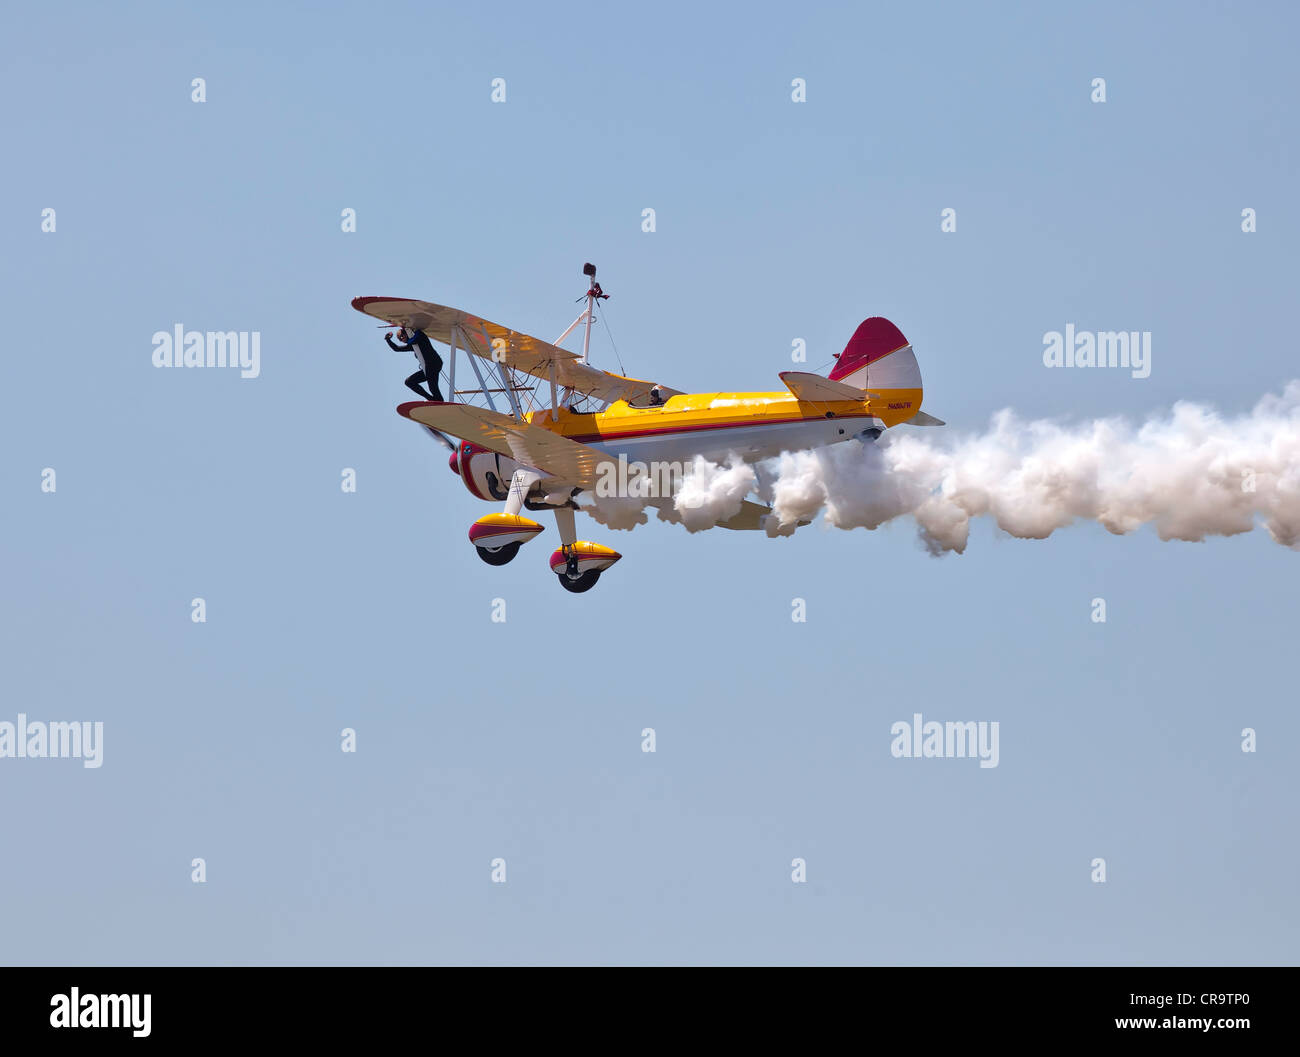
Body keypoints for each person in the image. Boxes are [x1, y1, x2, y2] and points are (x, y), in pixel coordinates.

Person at [386, 326, 445, 401]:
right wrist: (388, 340)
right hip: (427, 367)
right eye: (399, 340)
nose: (401, 341)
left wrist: (406, 327)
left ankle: (439, 401)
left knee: (433, 388)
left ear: (406, 333)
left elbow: (415, 336)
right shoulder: (412, 345)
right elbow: (397, 348)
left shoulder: (419, 335)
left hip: (434, 363)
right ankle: (431, 399)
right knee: (409, 382)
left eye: (401, 337)